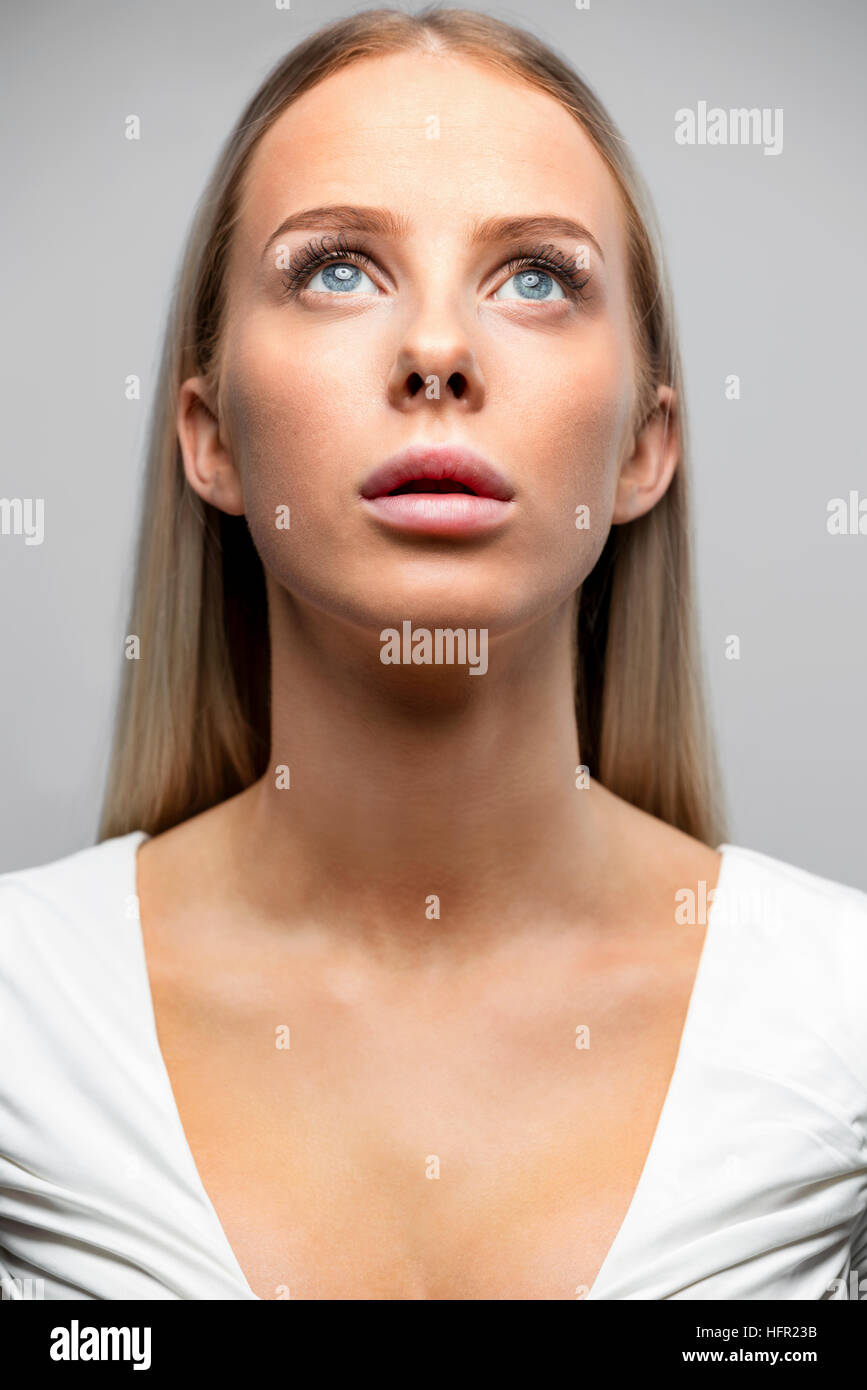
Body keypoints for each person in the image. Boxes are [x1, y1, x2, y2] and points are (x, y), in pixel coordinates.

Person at [2, 7, 865, 1302]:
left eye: (536, 277)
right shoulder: (20, 1012)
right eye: (338, 268)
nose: (438, 353)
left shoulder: (846, 1018)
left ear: (644, 448)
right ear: (211, 438)